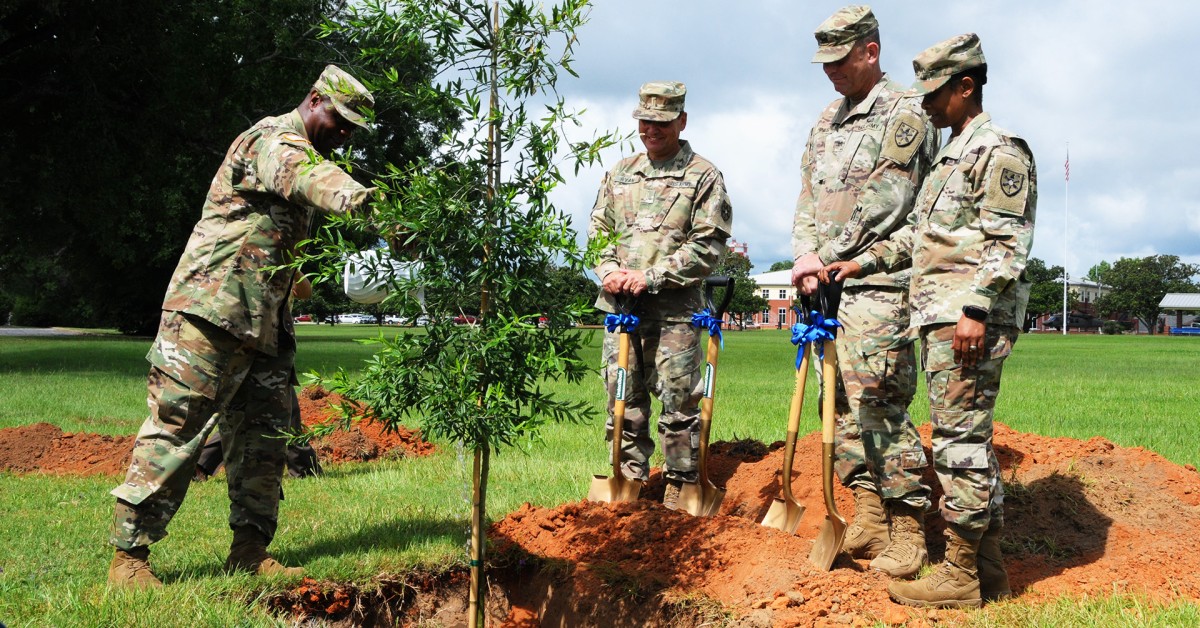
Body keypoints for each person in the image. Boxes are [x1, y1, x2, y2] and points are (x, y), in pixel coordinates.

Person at [108, 65, 377, 588]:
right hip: (209, 318)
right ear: (314, 99)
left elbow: (272, 236)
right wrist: (372, 208)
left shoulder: (303, 150)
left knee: (264, 442)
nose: (344, 134)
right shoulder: (272, 140)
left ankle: (250, 550)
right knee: (176, 432)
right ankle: (129, 557)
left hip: (265, 327)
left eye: (353, 128)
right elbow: (310, 178)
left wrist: (298, 281)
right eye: (340, 120)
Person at [822, 33, 1037, 607]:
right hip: (939, 316)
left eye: (935, 94)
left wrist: (976, 308)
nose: (925, 105)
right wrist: (859, 262)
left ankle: (961, 574)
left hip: (966, 318)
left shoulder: (999, 151)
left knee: (958, 441)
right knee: (963, 438)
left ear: (965, 87)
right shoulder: (950, 155)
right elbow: (918, 236)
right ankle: (989, 571)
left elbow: (1008, 243)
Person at [789, 5, 939, 577]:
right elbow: (807, 194)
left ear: (870, 51)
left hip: (879, 281)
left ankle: (908, 527)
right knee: (838, 404)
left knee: (878, 399)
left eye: (840, 60)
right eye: (824, 63)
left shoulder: (906, 112)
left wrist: (826, 256)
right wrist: (805, 255)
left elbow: (888, 201)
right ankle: (869, 512)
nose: (831, 72)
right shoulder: (827, 119)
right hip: (824, 284)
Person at [587, 81, 733, 509]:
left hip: (675, 314)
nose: (651, 130)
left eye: (662, 122)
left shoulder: (703, 176)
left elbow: (708, 246)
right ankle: (628, 486)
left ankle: (679, 490)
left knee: (679, 404)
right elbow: (598, 230)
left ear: (681, 121)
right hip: (622, 311)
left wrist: (650, 276)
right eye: (645, 121)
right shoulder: (620, 172)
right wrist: (608, 270)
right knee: (622, 401)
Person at [193, 274, 323, 482]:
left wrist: (293, 268)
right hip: (256, 345)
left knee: (271, 409)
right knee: (272, 410)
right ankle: (304, 467)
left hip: (272, 346)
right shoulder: (251, 266)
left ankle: (304, 466)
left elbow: (305, 292)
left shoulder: (284, 264)